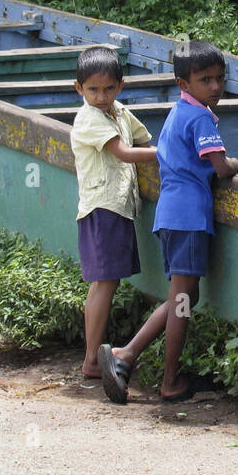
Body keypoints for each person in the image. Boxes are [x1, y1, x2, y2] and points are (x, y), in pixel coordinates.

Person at [99, 40, 238, 403]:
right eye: (205, 80)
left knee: (183, 295)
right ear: (183, 83)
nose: (215, 87)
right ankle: (169, 381)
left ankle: (126, 355)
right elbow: (222, 168)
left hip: (170, 215)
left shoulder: (179, 111)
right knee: (182, 299)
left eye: (219, 79)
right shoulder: (200, 117)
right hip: (189, 217)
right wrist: (237, 164)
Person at [70, 46, 158, 384]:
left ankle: (92, 357)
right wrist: (171, 154)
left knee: (104, 284)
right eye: (92, 89)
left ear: (120, 86)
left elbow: (141, 138)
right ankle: (92, 360)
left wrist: (157, 148)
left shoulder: (117, 111)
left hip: (117, 207)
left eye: (108, 88)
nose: (101, 96)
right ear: (79, 89)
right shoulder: (89, 118)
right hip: (103, 208)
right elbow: (124, 152)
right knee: (104, 284)